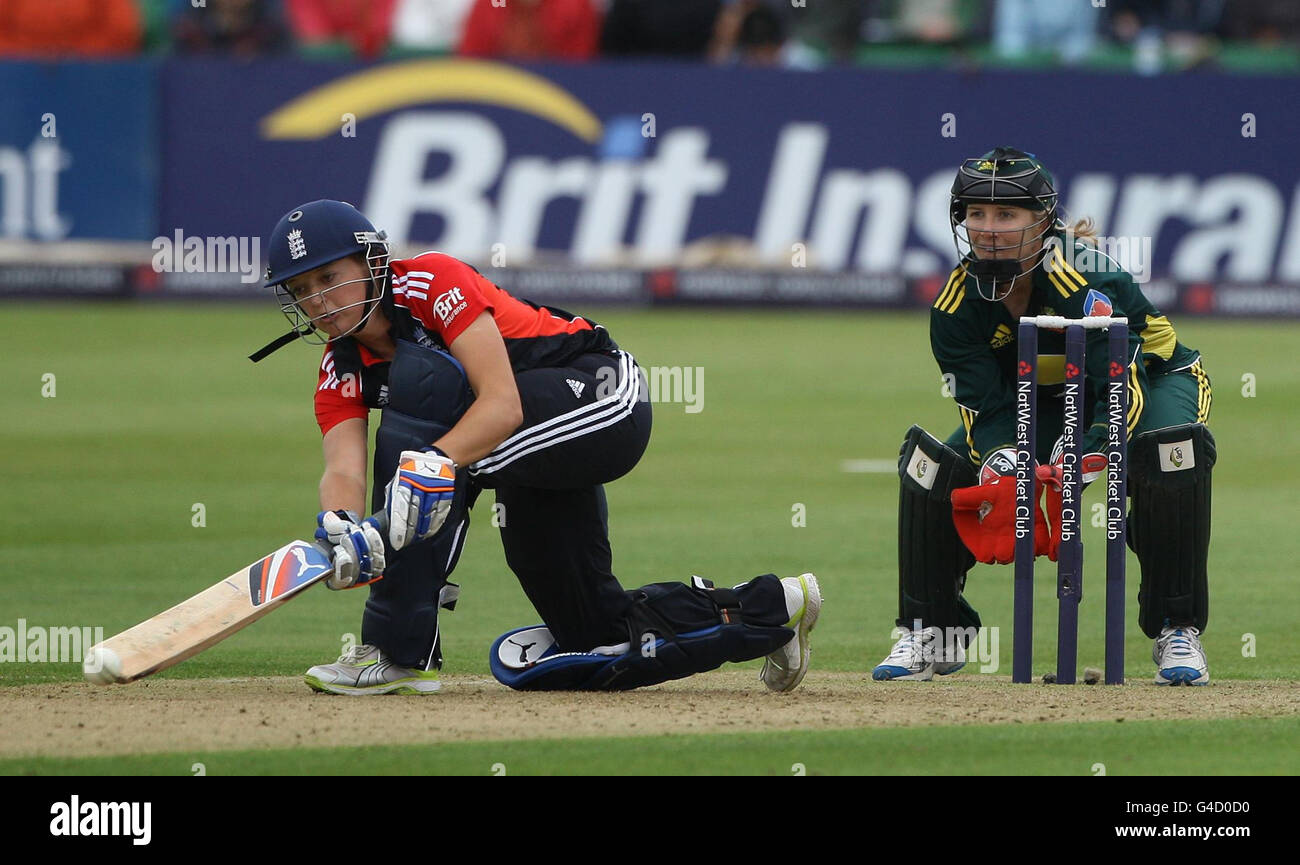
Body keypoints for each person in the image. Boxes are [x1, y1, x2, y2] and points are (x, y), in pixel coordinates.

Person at [252, 199, 821, 694]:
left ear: (371, 261)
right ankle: (768, 609)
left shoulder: (430, 282)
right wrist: (341, 526)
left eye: (329, 279)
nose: (319, 301)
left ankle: (398, 646)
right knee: (592, 633)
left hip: (598, 396)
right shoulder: (339, 367)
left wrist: (404, 503)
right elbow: (343, 469)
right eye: (302, 290)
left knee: (426, 438)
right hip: (527, 454)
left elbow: (500, 406)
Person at [873, 147, 1215, 686]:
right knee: (930, 468)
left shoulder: (1086, 279)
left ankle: (1177, 629)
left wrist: (1095, 446)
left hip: (1155, 374)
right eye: (976, 214)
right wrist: (1008, 457)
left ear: (1042, 222)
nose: (988, 228)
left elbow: (1119, 382)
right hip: (1043, 392)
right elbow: (984, 405)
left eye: (1006, 215)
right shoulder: (955, 305)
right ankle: (932, 632)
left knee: (1170, 455)